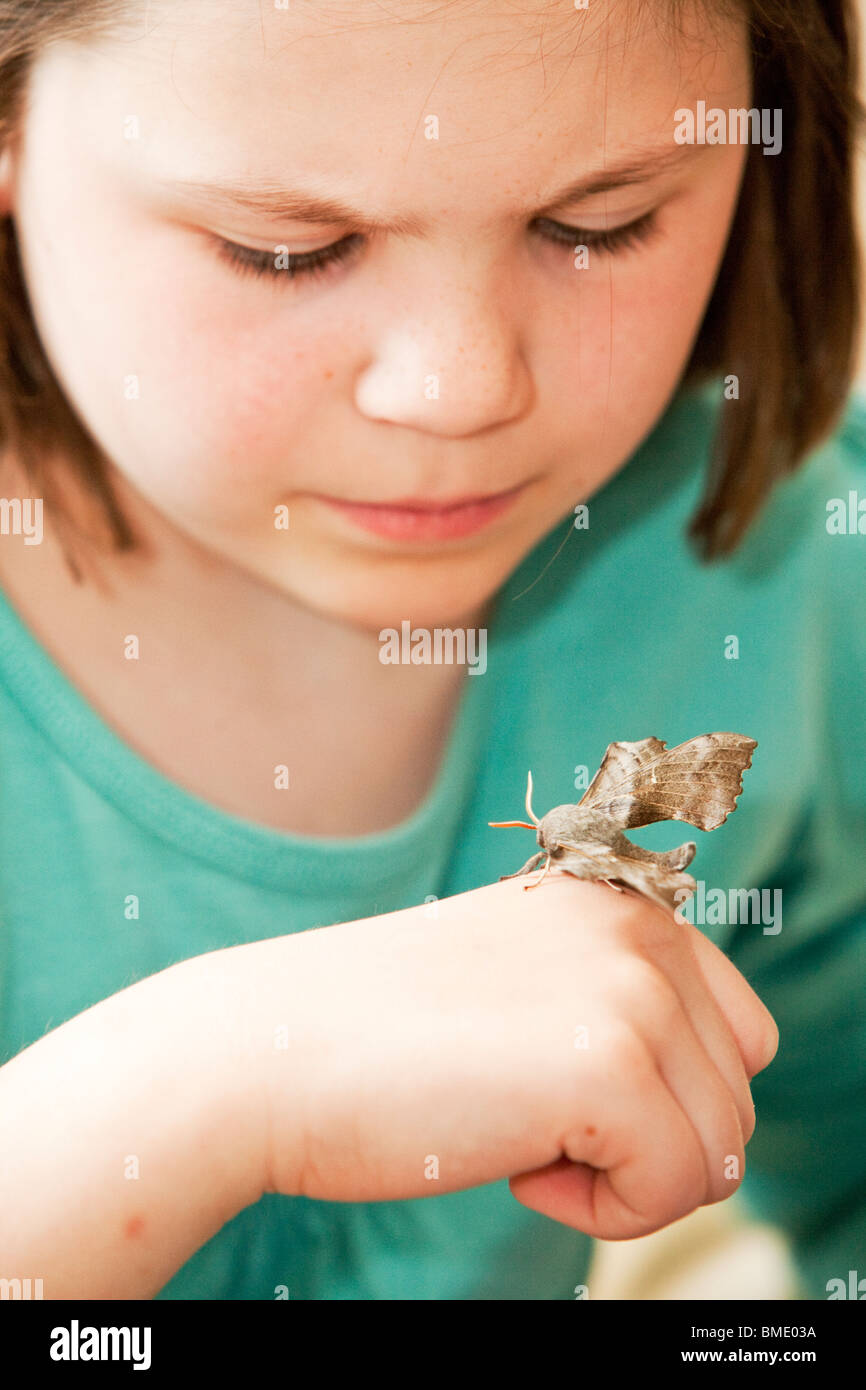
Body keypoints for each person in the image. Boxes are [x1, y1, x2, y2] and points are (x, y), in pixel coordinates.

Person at [0, 0, 862, 1301]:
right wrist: (213, 1086)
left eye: (599, 224)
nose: (460, 388)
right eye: (285, 250)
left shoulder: (759, 572)